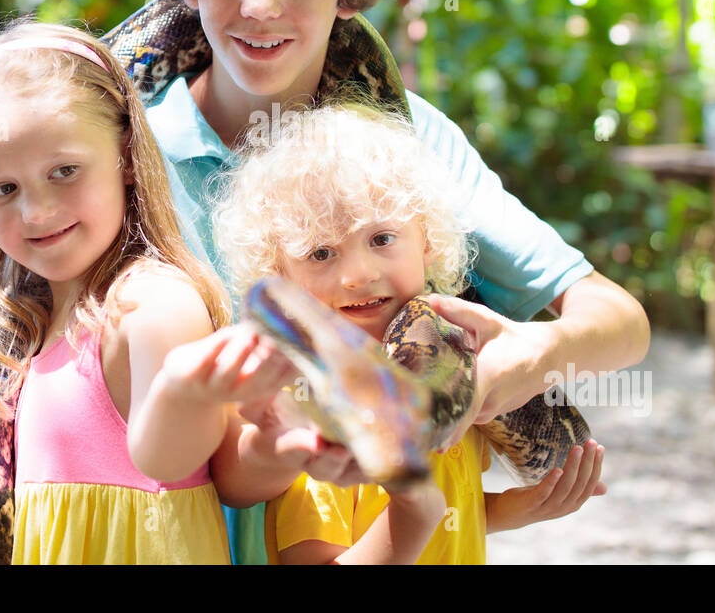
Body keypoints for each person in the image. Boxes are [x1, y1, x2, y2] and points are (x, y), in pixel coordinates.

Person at [104, 0, 649, 563]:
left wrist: (537, 354)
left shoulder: (406, 144)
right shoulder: (114, 148)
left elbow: (620, 321)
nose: (260, 4)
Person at [0, 20, 291, 564]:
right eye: (4, 188)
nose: (36, 212)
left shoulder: (151, 306)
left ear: (127, 157)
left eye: (64, 171)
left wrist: (271, 445)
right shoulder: (23, 326)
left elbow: (183, 463)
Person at [212, 102, 606, 563]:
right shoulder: (318, 407)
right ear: (277, 274)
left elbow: (453, 511)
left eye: (381, 239)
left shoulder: (459, 364)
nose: (358, 275)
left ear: (428, 241)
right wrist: (413, 513)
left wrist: (513, 510)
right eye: (320, 253)